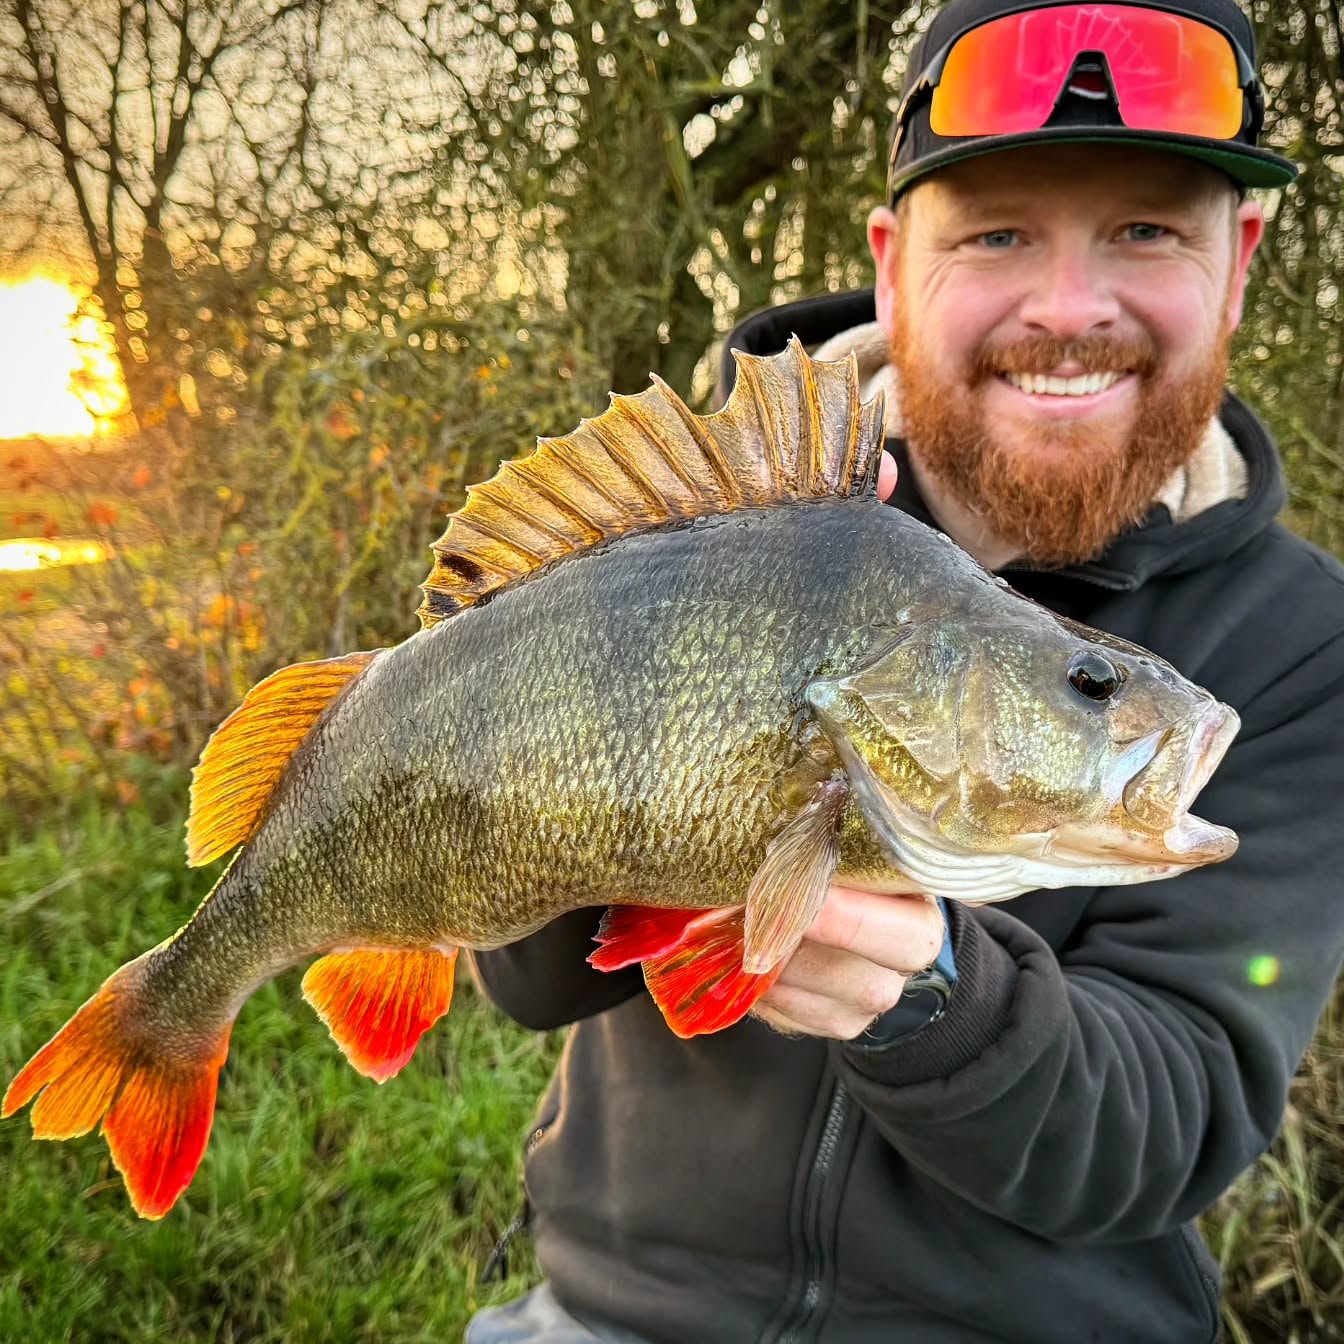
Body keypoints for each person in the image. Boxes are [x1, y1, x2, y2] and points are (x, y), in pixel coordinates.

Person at [466, 2, 1344, 1340]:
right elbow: (532, 985)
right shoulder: (678, 522)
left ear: (1240, 264)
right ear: (890, 265)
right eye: (996, 232)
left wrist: (934, 996)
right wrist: (585, 775)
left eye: (1147, 230)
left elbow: (1169, 1124)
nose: (1068, 308)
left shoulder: (1301, 645)